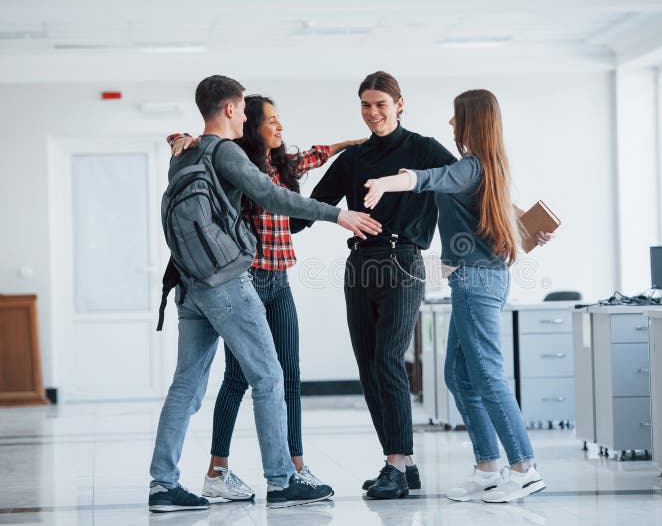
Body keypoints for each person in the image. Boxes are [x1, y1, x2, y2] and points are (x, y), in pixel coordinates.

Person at [148, 75, 382, 512]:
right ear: (233, 110)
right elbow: (272, 196)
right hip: (226, 281)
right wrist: (338, 216)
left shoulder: (185, 153)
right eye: (243, 110)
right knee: (269, 375)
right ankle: (281, 480)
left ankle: (162, 484)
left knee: (186, 385)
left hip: (188, 282)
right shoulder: (225, 151)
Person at [363, 88, 554, 503]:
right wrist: (528, 222)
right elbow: (504, 203)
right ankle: (488, 468)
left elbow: (422, 179)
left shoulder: (469, 167)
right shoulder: (484, 167)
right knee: (459, 376)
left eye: (455, 117)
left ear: (471, 122)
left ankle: (524, 467)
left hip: (476, 281)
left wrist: (383, 182)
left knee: (486, 374)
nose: (450, 124)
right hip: (478, 279)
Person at [291, 71, 457, 499]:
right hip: (361, 265)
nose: (373, 113)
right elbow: (306, 211)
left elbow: (468, 187)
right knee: (369, 368)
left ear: (400, 104)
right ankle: (404, 461)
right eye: (365, 105)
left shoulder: (425, 150)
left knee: (387, 358)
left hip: (403, 263)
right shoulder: (353, 160)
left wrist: (512, 227)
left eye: (381, 104)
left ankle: (395, 466)